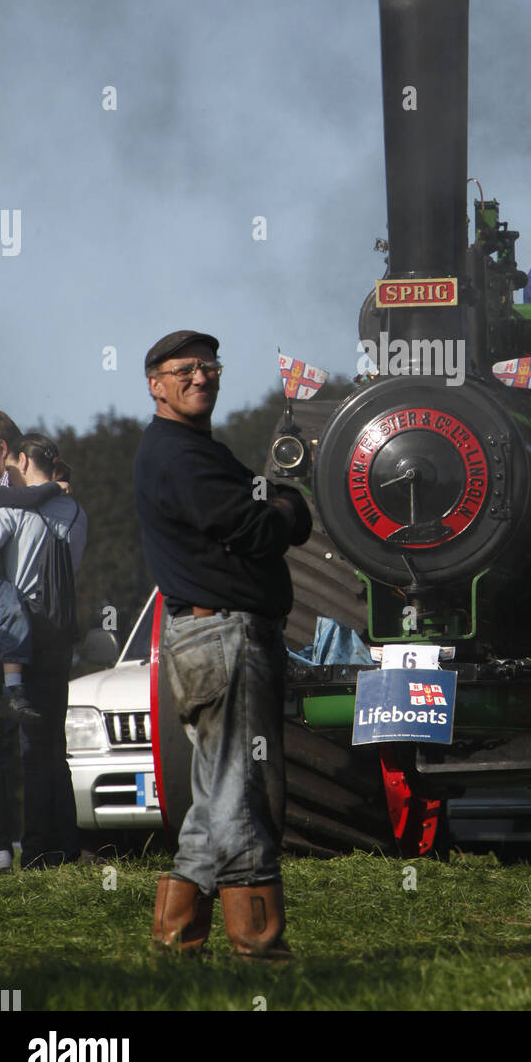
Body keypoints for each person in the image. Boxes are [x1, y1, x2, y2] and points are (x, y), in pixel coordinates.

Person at [134, 330, 311, 959]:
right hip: (225, 636)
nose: (200, 378)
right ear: (155, 384)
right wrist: (287, 509)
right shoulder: (181, 458)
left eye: (209, 368)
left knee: (214, 799)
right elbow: (255, 524)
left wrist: (279, 506)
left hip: (211, 634)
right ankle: (259, 948)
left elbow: (267, 507)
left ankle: (175, 941)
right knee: (245, 793)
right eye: (183, 370)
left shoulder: (193, 450)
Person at [0, 431, 87, 869]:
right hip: (57, 638)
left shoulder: (9, 512)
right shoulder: (77, 512)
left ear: (22, 460)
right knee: (46, 748)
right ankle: (49, 849)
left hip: (9, 637)